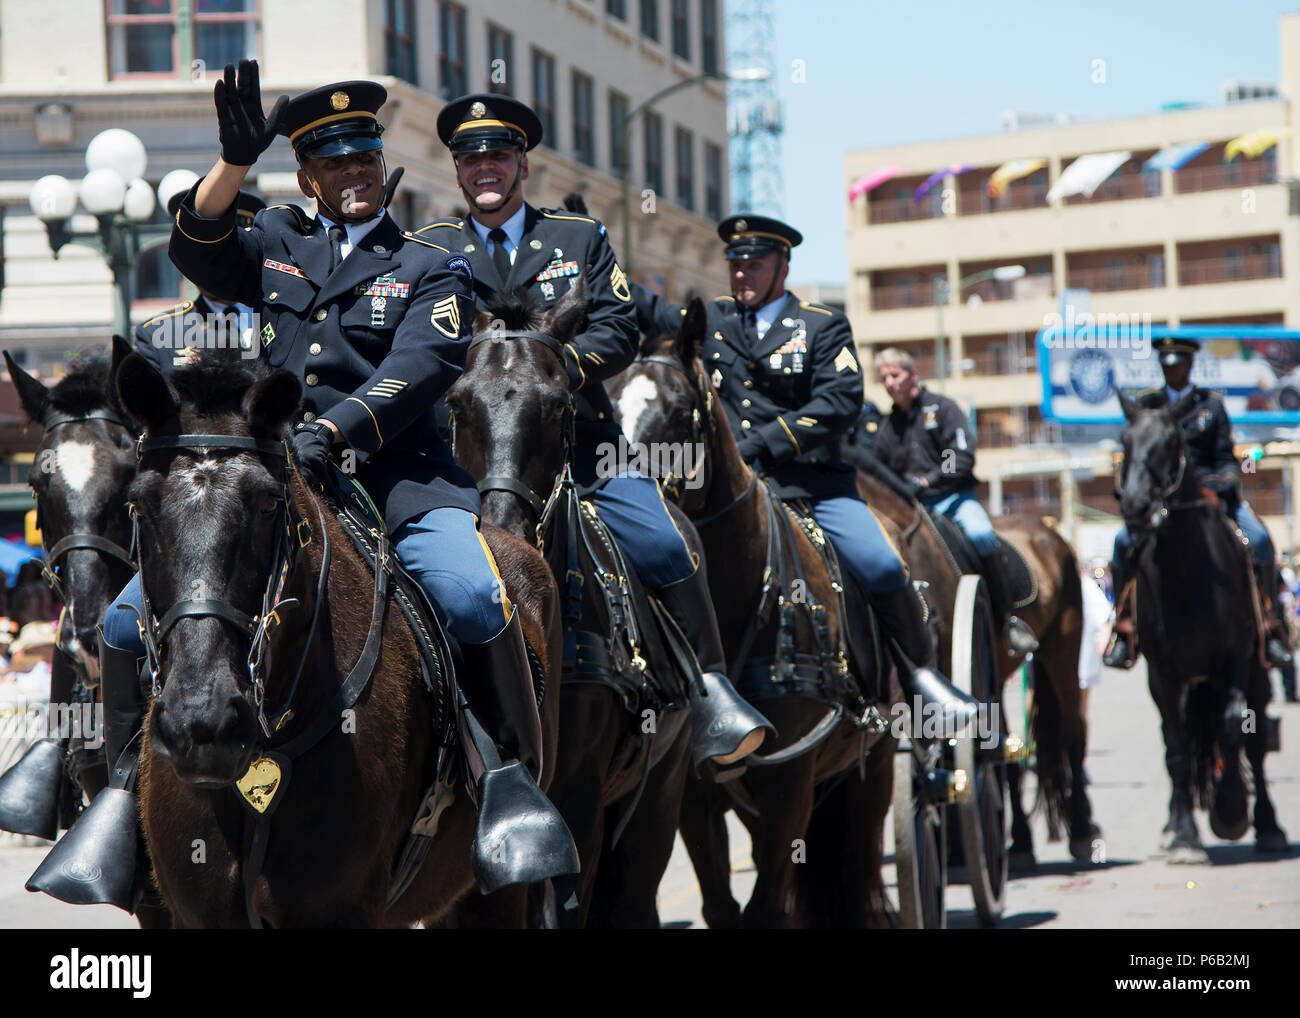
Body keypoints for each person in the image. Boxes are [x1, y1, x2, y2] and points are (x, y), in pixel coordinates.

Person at [44, 62, 579, 907]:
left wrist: (335, 430)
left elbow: (424, 364)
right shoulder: (279, 245)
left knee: (478, 596)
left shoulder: (429, 264)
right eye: (334, 165)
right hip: (279, 481)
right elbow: (198, 248)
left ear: (381, 168)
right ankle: (117, 801)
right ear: (308, 178)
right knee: (118, 621)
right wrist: (230, 165)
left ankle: (507, 788)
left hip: (399, 483)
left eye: (364, 159)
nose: (353, 175)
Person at [416, 93, 771, 773]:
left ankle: (709, 693)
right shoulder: (432, 249)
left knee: (669, 539)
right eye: (471, 158)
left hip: (580, 445)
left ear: (523, 164)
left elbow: (617, 326)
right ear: (458, 171)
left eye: (498, 155)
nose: (484, 167)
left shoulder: (578, 238)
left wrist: (555, 369)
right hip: (468, 456)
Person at [633, 215, 980, 733]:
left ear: (783, 266)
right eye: (736, 265)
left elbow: (839, 402)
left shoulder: (822, 324)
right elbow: (650, 309)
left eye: (755, 265)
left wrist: (755, 446)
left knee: (881, 565)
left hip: (812, 487)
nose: (743, 275)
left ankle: (923, 677)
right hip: (732, 494)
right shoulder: (716, 321)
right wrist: (594, 249)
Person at [1104, 335, 1291, 668]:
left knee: (1260, 540)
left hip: (1211, 496)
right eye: (1165, 364)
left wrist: (1220, 485)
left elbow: (1225, 457)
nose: (1171, 370)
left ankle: (1269, 623)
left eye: (1177, 364)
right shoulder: (1148, 405)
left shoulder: (1212, 405)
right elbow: (1136, 457)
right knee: (1122, 544)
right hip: (1161, 502)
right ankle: (1124, 628)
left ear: (1190, 365)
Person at [873, 347, 1039, 655]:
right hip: (911, 510)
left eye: (894, 375)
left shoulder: (944, 409)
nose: (889, 383)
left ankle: (1008, 620)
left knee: (981, 535)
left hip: (953, 500)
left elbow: (960, 457)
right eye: (883, 378)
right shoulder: (886, 428)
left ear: (913, 375)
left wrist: (926, 481)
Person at [132, 191, 265, 371]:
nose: (211, 268)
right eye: (201, 257)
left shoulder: (281, 320)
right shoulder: (158, 334)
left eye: (224, 254)